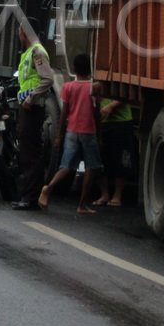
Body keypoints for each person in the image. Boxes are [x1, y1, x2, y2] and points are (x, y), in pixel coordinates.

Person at [38, 53, 102, 214]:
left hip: (71, 130)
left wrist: (59, 135)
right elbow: (96, 111)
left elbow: (64, 112)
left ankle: (48, 187)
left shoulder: (67, 87)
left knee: (66, 166)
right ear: (90, 68)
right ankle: (81, 205)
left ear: (74, 68)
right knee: (92, 167)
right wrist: (99, 132)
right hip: (88, 131)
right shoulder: (94, 87)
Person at [11, 17, 55, 211]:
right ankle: (26, 195)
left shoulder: (37, 52)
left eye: (20, 31)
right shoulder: (30, 52)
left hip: (33, 109)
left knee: (31, 154)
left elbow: (47, 79)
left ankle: (30, 198)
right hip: (27, 108)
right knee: (27, 152)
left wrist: (31, 98)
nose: (18, 35)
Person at [94, 88, 135, 207]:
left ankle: (117, 195)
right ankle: (104, 194)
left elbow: (129, 93)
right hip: (103, 122)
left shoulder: (120, 71)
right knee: (101, 159)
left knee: (121, 160)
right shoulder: (97, 73)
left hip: (122, 122)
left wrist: (111, 106)